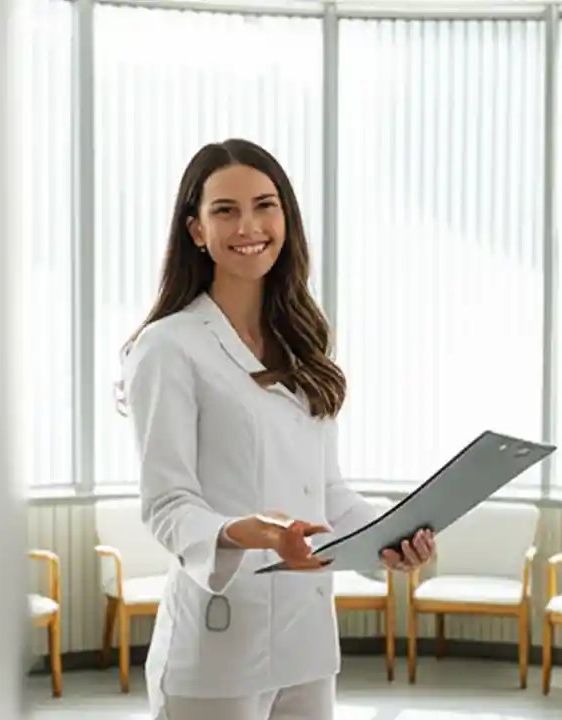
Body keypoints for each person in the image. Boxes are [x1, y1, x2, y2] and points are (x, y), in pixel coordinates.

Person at [120, 138, 435, 720]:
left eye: (265, 205)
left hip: (307, 644)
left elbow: (328, 493)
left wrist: (390, 540)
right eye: (225, 210)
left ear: (285, 217)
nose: (249, 225)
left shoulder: (299, 343)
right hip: (217, 648)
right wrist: (254, 532)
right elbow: (167, 505)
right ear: (196, 230)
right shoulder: (167, 348)